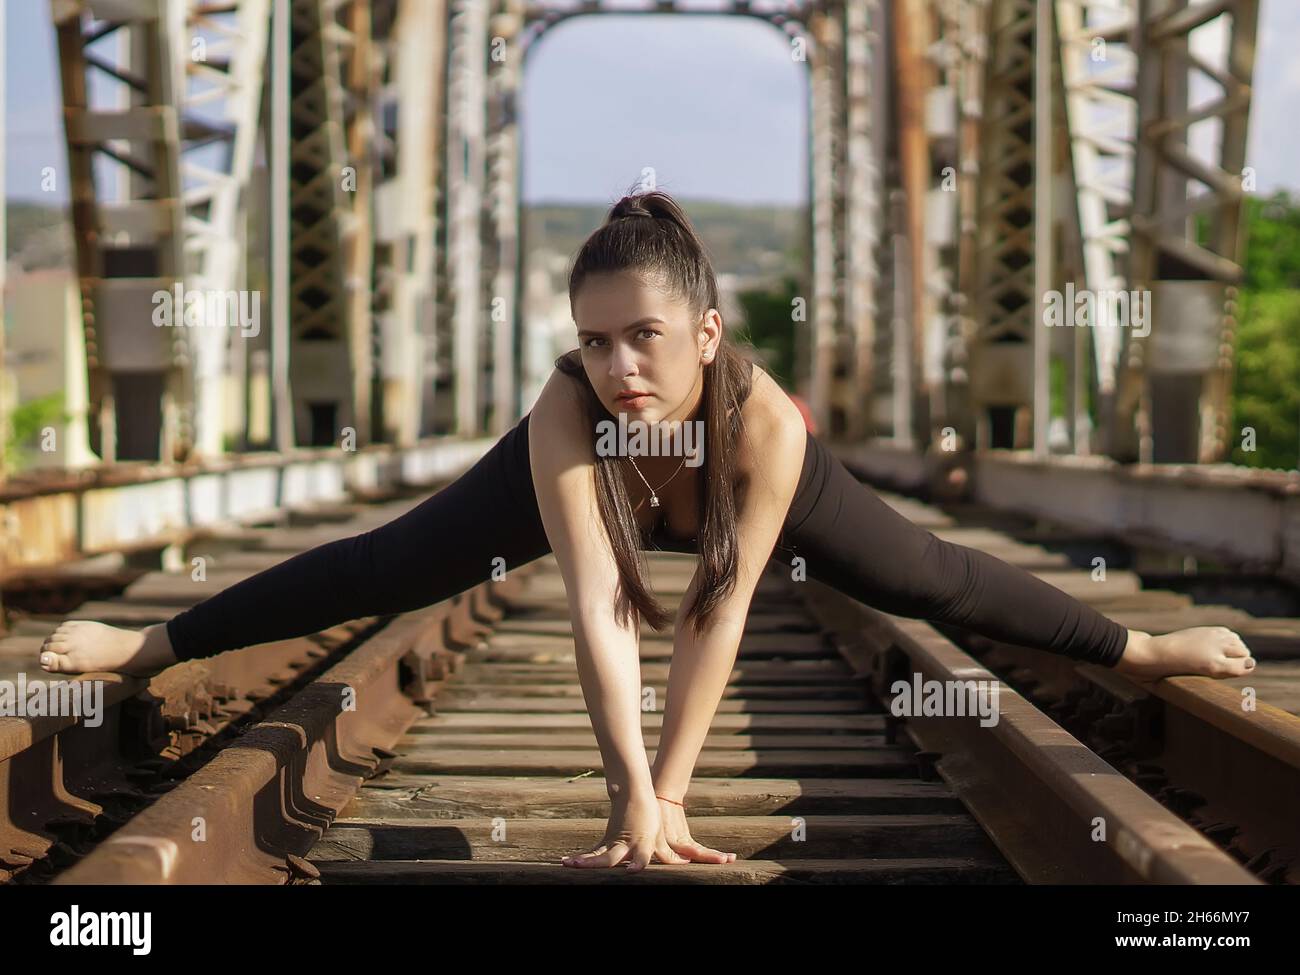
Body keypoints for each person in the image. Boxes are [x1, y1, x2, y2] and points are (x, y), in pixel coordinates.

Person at [38, 188, 1256, 873]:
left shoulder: (764, 425)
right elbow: (604, 609)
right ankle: (149, 650)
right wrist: (626, 794)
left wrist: (668, 798)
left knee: (923, 573)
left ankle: (1137, 651)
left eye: (646, 338)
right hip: (579, 498)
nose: (618, 365)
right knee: (386, 564)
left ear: (709, 337)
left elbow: (717, 606)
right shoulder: (570, 409)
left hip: (742, 488)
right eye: (595, 338)